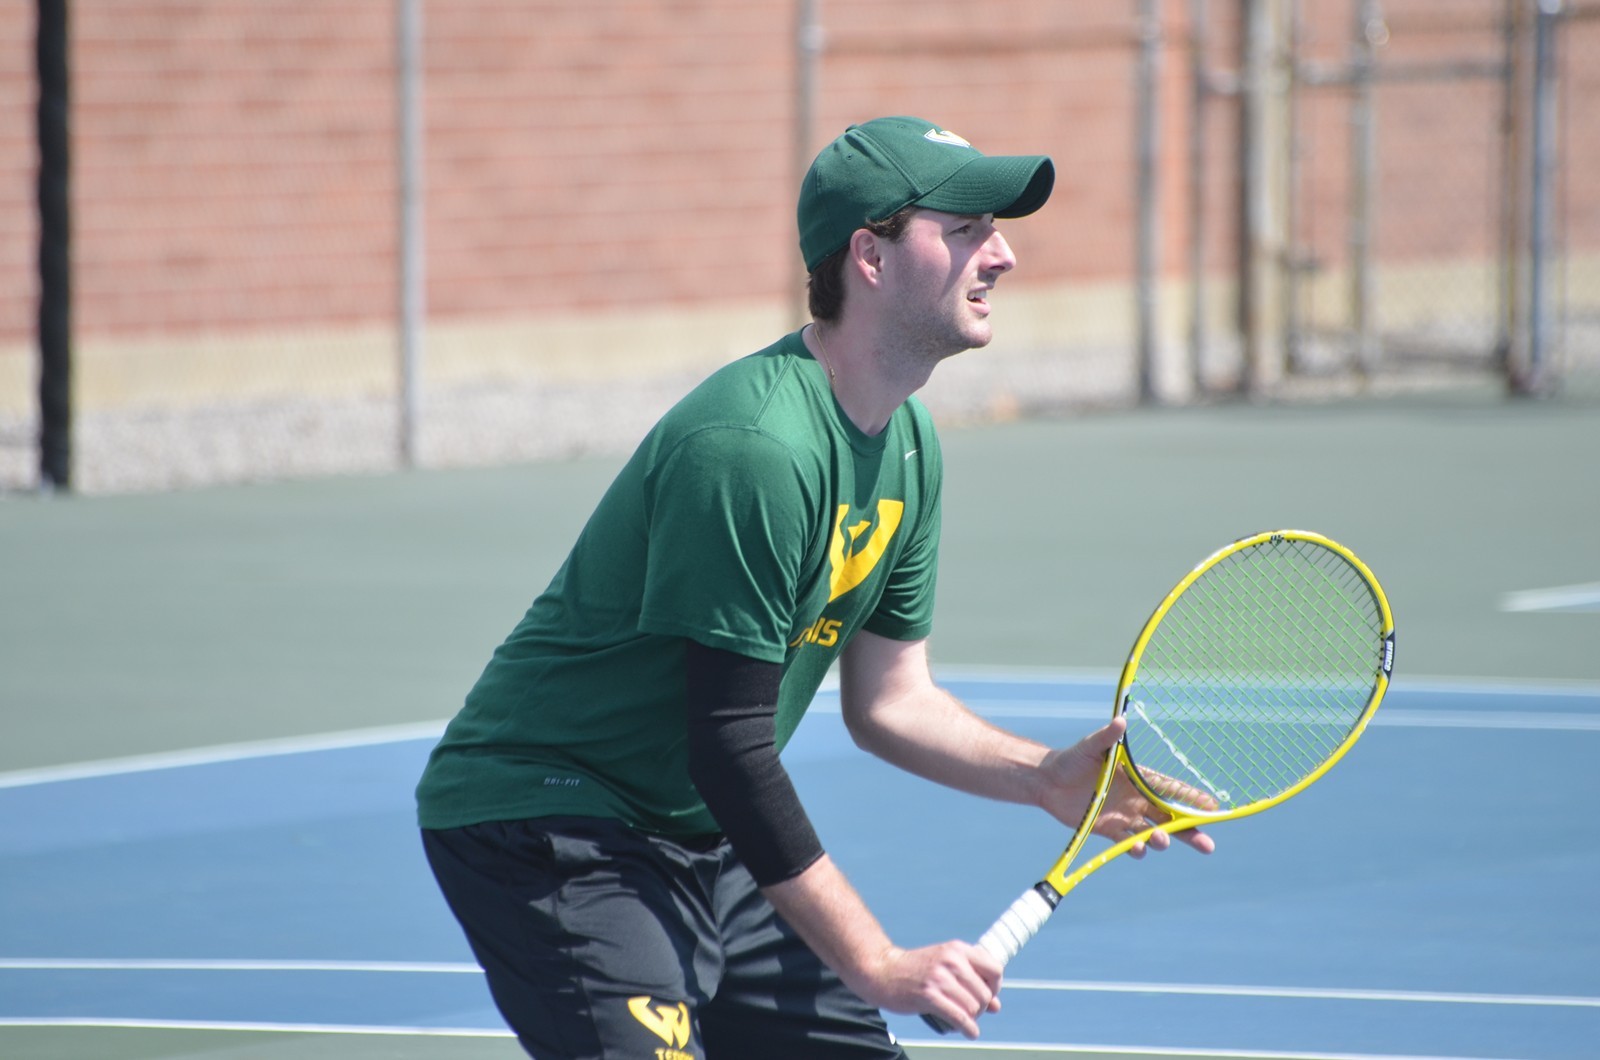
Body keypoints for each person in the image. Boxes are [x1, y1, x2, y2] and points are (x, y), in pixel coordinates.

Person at [416, 115, 1214, 1060]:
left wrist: (1042, 781)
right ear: (869, 257)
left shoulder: (909, 448)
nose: (1001, 254)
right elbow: (731, 747)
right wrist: (875, 962)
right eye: (964, 229)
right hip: (554, 820)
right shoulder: (755, 451)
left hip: (697, 833)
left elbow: (890, 701)